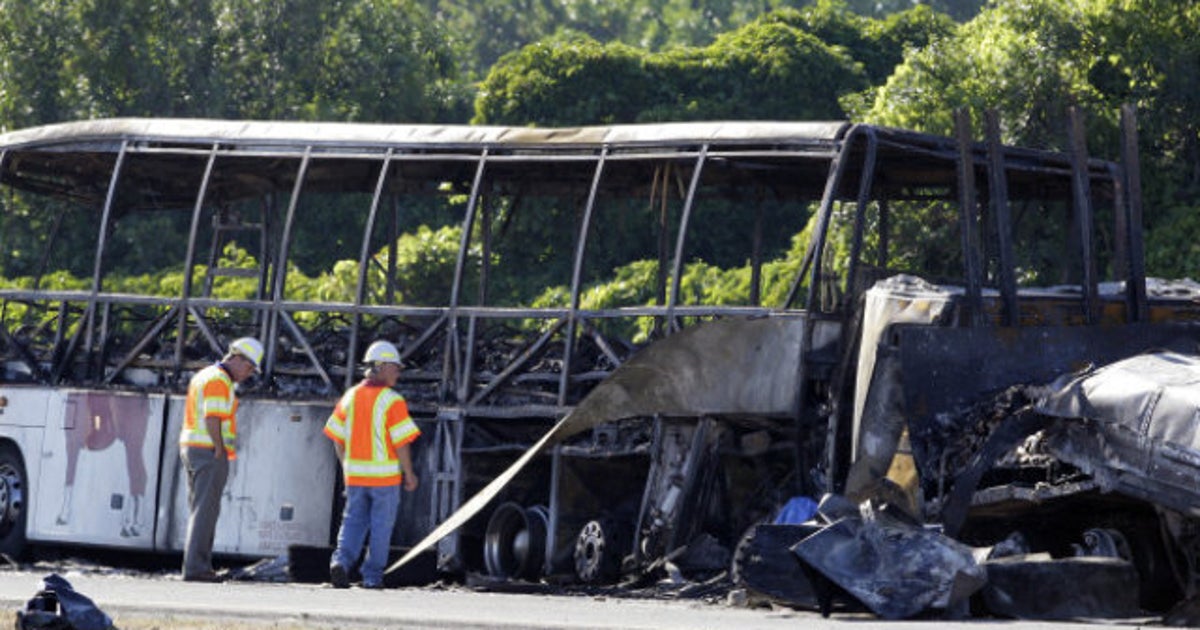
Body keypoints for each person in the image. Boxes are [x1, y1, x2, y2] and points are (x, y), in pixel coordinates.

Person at [325, 340, 421, 589]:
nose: (398, 372)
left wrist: (347, 466)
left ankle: (341, 564)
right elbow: (401, 442)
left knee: (352, 523)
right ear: (382, 366)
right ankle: (371, 577)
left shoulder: (350, 396)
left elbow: (337, 437)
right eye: (395, 367)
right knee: (381, 528)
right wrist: (409, 472)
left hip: (356, 477)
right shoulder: (392, 401)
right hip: (385, 479)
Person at [179, 336, 263, 582]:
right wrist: (219, 448)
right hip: (207, 450)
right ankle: (197, 568)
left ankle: (198, 565)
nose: (248, 374)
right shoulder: (219, 380)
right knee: (206, 511)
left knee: (200, 509)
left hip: (194, 447)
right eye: (249, 367)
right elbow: (212, 417)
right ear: (237, 358)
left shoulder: (205, 374)